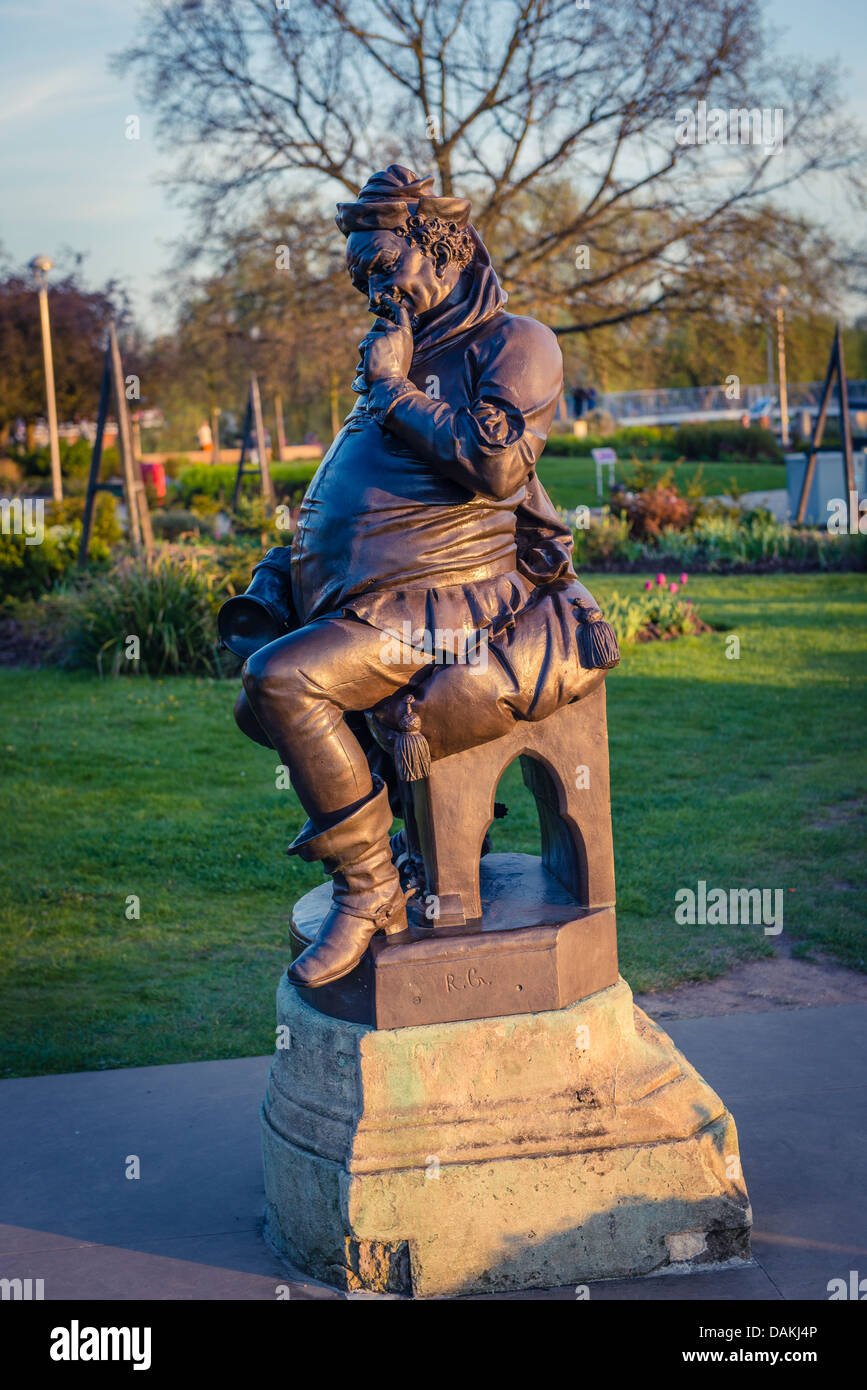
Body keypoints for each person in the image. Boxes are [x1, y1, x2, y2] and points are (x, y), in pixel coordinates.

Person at [236, 165, 616, 988]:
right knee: (256, 698)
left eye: (385, 265)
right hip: (372, 596)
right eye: (360, 272)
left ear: (442, 251)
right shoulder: (403, 344)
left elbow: (498, 464)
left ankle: (368, 890)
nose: (374, 286)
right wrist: (285, 570)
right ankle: (419, 842)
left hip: (456, 601)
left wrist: (392, 389)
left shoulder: (515, 341)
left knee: (283, 681)